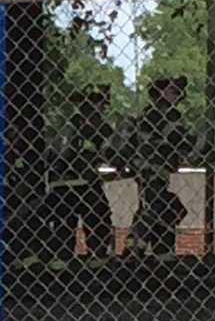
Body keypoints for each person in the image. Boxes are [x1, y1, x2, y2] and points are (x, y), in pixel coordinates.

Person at [125, 76, 195, 259]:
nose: (178, 95)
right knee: (155, 208)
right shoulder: (161, 114)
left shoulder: (149, 113)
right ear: (162, 93)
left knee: (165, 208)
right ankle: (134, 250)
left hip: (150, 171)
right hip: (152, 171)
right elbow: (182, 139)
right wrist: (211, 152)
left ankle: (162, 253)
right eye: (173, 91)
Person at [49, 86, 116, 262]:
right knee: (92, 216)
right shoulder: (80, 126)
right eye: (99, 103)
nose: (102, 108)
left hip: (77, 182)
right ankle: (81, 257)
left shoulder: (92, 126)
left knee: (91, 217)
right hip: (74, 182)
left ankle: (83, 257)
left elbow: (112, 150)